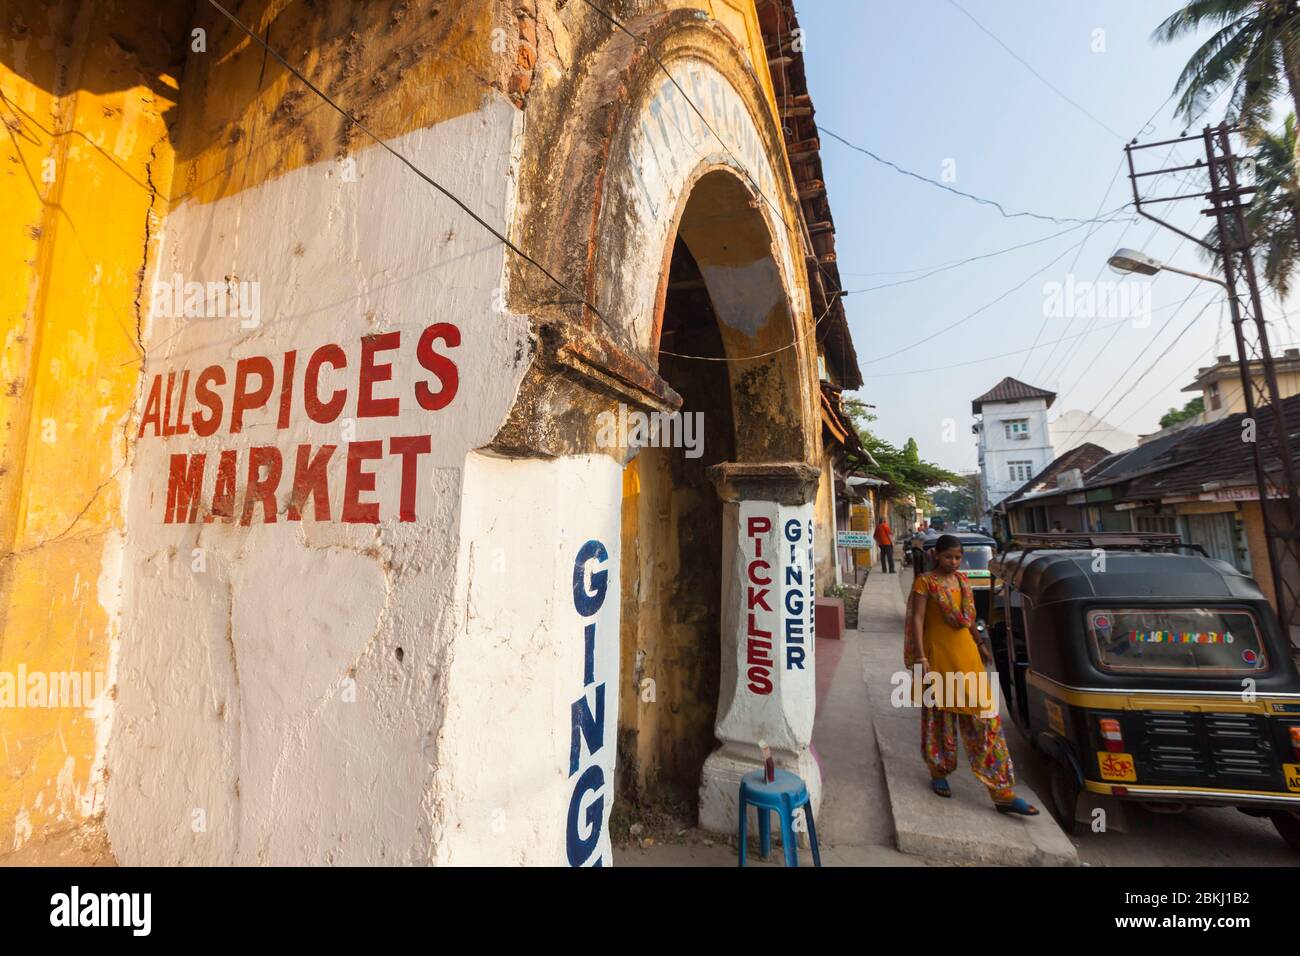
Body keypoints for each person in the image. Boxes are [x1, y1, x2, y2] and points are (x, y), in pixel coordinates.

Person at [903, 534, 1039, 816]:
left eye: (957, 557)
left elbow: (969, 620)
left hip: (967, 656)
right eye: (948, 557)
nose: (953, 562)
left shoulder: (963, 582)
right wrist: (920, 657)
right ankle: (938, 771)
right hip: (937, 656)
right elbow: (916, 619)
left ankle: (1001, 791)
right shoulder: (924, 583)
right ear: (935, 556)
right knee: (939, 719)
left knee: (986, 721)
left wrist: (979, 645)